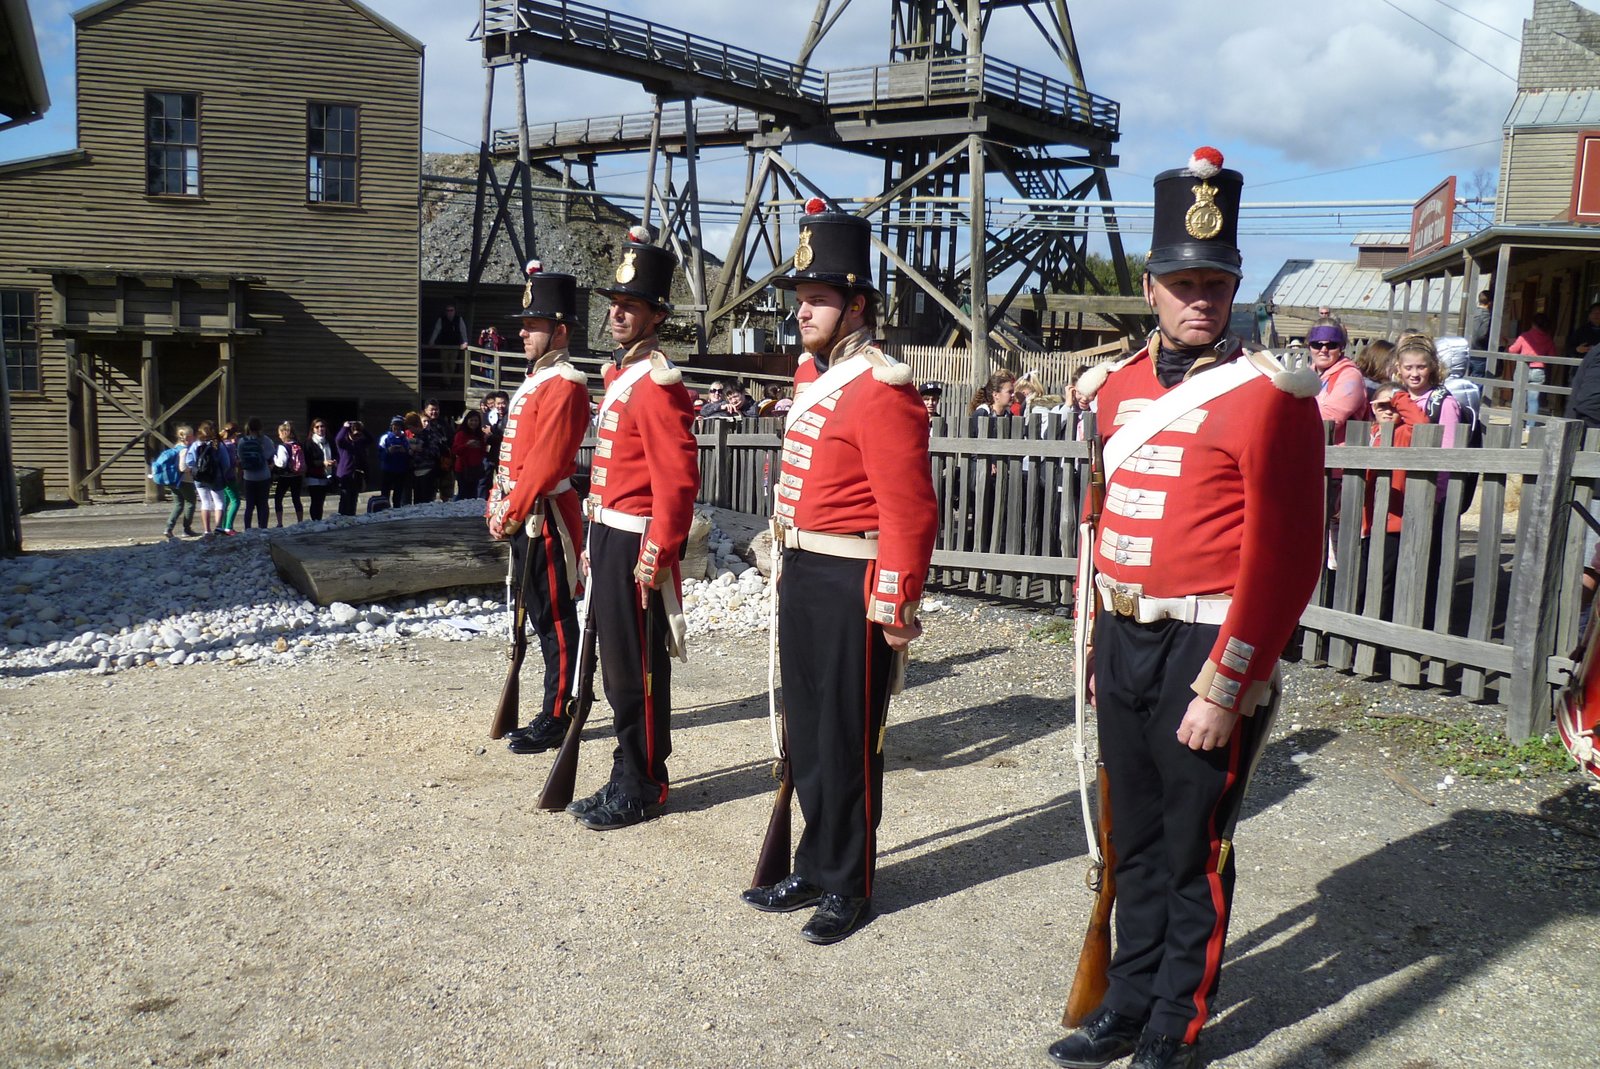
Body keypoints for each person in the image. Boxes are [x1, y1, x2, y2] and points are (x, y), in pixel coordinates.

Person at [1047, 147, 1324, 1069]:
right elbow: (1103, 519)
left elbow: (1284, 559)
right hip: (1125, 631)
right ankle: (1125, 1001)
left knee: (1191, 842)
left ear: (1234, 285)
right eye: (1180, 280)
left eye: (1214, 280)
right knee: (1130, 834)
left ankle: (1176, 1020)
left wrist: (1228, 681)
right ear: (1151, 288)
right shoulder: (1120, 389)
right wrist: (1096, 639)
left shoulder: (1271, 398)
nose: (1197, 296)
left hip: (1207, 641)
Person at [740, 201, 938, 945]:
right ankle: (815, 862)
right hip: (804, 566)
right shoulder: (813, 377)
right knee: (811, 731)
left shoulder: (883, 387)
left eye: (818, 299)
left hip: (854, 577)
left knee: (851, 738)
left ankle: (849, 881)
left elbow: (910, 510)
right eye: (800, 299)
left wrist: (894, 600)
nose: (804, 312)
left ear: (856, 304)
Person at [565, 226, 699, 830]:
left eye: (631, 307)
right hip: (608, 533)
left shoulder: (658, 384)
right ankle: (627, 769)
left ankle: (644, 782)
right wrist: (595, 542)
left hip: (636, 538)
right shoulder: (622, 377)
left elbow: (676, 481)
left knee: (637, 665)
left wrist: (659, 549)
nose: (618, 314)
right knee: (617, 663)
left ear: (655, 317)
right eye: (615, 305)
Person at [487, 265, 593, 756]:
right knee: (537, 614)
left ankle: (560, 711)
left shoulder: (565, 383)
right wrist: (497, 501)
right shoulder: (537, 379)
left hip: (543, 514)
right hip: (524, 510)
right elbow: (511, 453)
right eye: (524, 323)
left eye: (533, 324)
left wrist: (512, 508)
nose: (522, 332)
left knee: (554, 618)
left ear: (561, 331)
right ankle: (554, 702)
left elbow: (547, 462)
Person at [1360, 385, 1428, 621]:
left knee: (1383, 584)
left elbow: (1421, 424)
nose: (1388, 412)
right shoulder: (1366, 434)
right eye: (1381, 407)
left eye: (1393, 408)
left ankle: (1377, 650)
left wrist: (1399, 397)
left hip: (1390, 522)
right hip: (1363, 522)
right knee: (1359, 582)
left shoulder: (1402, 434)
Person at [1306, 318, 1365, 444]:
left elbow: (1330, 418)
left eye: (1331, 345)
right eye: (1317, 344)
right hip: (1308, 447)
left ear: (1341, 348)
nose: (1323, 350)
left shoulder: (1350, 376)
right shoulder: (1305, 375)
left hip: (1338, 457)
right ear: (1309, 346)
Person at [1506, 313, 1556, 425]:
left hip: (1523, 368)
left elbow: (1512, 350)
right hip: (1539, 370)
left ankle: (1515, 422)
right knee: (1533, 400)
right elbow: (1552, 355)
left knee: (1518, 397)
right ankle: (1530, 426)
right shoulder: (1547, 338)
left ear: (1533, 323)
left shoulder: (1525, 336)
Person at [188, 420, 229, 539]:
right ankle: (219, 527)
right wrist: (222, 473)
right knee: (219, 502)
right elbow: (226, 463)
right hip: (216, 477)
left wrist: (195, 471)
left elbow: (189, 462)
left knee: (205, 502)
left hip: (200, 478)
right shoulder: (218, 445)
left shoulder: (196, 445)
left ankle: (207, 530)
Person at [237, 417, 275, 529]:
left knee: (249, 505)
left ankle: (247, 528)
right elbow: (269, 455)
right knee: (263, 504)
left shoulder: (242, 441)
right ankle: (262, 527)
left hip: (248, 476)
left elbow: (240, 456)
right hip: (263, 475)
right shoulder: (265, 440)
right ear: (260, 427)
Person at [1567, 304, 1600, 429]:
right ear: (1590, 315)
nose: (1597, 316)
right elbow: (1569, 348)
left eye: (1599, 313)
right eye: (1595, 313)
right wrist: (1578, 349)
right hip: (1582, 370)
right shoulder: (1581, 331)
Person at [163, 424, 197, 538]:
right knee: (190, 503)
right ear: (188, 437)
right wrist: (193, 469)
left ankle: (168, 528)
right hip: (185, 481)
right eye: (192, 436)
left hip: (173, 481)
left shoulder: (176, 447)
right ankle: (187, 529)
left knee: (178, 505)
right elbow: (182, 467)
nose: (194, 438)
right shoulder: (184, 450)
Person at [271, 421, 306, 526]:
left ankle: (280, 522)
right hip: (297, 476)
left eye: (280, 433)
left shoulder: (283, 447)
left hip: (285, 476)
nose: (279, 435)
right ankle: (300, 521)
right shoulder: (298, 444)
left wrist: (274, 458)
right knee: (296, 498)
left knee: (278, 498)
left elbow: (282, 463)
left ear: (284, 433)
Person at [334, 420, 369, 516]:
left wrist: (363, 428)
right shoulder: (344, 444)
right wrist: (345, 428)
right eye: (354, 434)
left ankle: (351, 515)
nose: (356, 437)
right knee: (345, 497)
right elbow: (338, 439)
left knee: (354, 497)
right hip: (345, 474)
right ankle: (342, 515)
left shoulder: (360, 443)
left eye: (358, 435)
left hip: (357, 474)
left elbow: (370, 440)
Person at [452, 409, 488, 500]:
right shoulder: (461, 434)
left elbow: (483, 452)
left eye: (476, 420)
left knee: (473, 494)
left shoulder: (480, 435)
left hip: (475, 469)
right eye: (471, 420)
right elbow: (455, 450)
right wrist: (467, 445)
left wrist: (482, 444)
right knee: (463, 493)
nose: (473, 423)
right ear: (467, 421)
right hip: (463, 469)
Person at [304, 419, 335, 521]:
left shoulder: (329, 442)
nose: (320, 429)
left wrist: (334, 462)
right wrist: (323, 463)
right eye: (317, 427)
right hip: (313, 475)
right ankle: (315, 521)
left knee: (321, 500)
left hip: (326, 474)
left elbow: (335, 454)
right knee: (315, 500)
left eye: (322, 426)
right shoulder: (309, 443)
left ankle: (319, 520)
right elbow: (308, 461)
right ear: (313, 429)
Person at [378, 416, 412, 508]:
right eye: (394, 426)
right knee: (385, 491)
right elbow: (380, 454)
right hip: (388, 469)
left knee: (398, 492)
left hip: (400, 469)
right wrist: (388, 451)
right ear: (391, 426)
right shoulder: (385, 437)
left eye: (398, 426)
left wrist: (404, 450)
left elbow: (409, 453)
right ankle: (384, 507)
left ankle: (397, 508)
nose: (396, 428)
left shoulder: (404, 439)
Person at [218, 422, 244, 534]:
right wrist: (239, 461)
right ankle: (228, 527)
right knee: (236, 501)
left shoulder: (220, 443)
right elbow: (232, 462)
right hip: (229, 476)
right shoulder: (230, 446)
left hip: (221, 477)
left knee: (225, 501)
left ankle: (223, 526)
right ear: (234, 435)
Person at [1468, 290, 1493, 377]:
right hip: (1480, 352)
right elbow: (1482, 335)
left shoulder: (1472, 313)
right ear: (1490, 303)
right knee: (1478, 381)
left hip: (1468, 349)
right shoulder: (1486, 315)